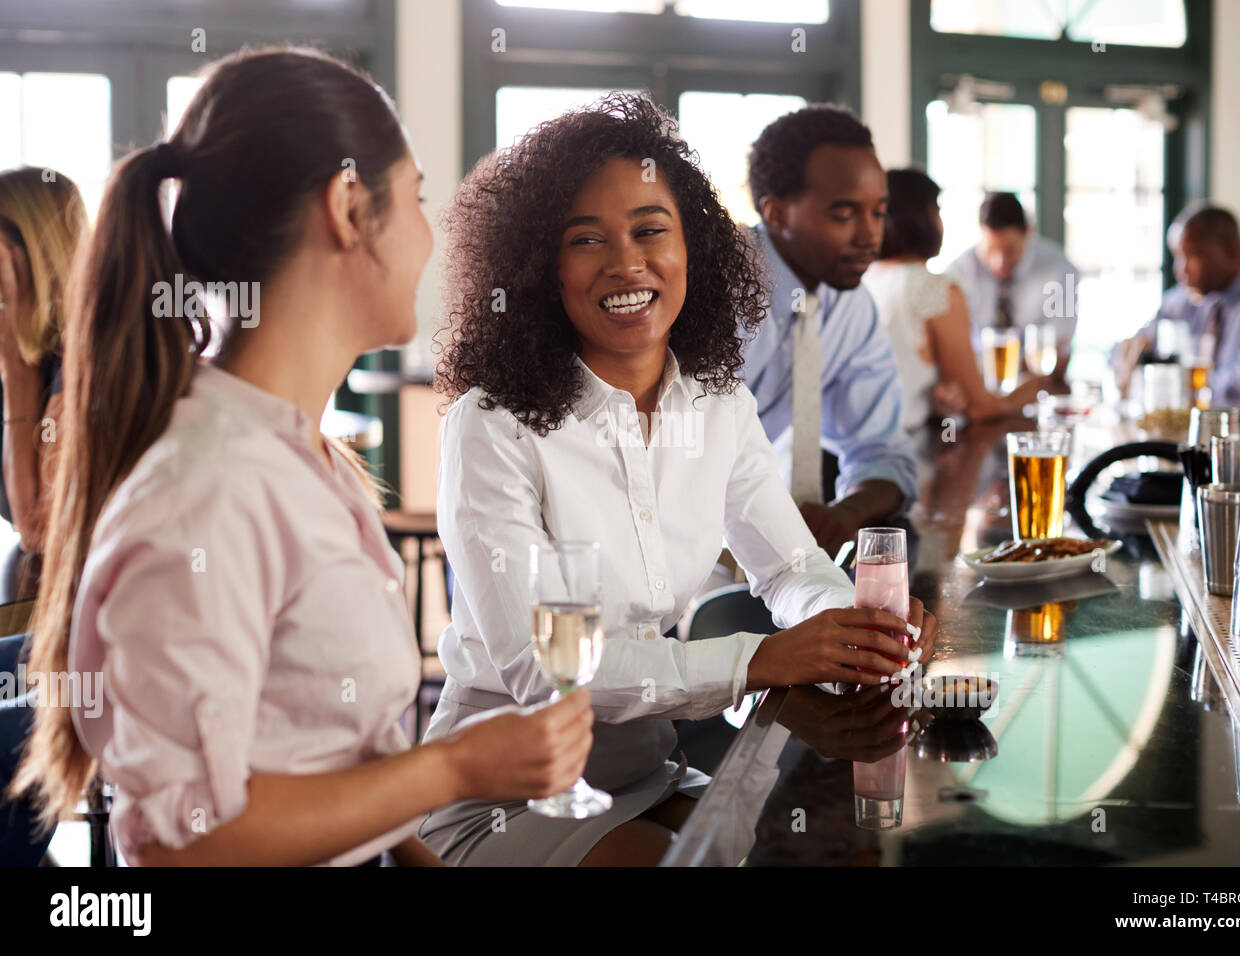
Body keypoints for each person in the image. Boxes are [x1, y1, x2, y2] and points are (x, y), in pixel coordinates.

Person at [11, 47, 594, 867]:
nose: (431, 236)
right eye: (418, 198)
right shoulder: (207, 488)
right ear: (350, 209)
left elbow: (336, 766)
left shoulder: (302, 456)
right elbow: (184, 843)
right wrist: (454, 766)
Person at [424, 92, 938, 867]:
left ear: (692, 244)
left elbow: (792, 567)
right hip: (507, 800)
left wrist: (860, 630)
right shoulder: (492, 425)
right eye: (585, 239)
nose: (627, 262)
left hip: (652, 775)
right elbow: (543, 673)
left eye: (649, 230)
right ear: (538, 267)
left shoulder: (717, 401)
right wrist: (761, 659)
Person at [742, 106, 919, 555]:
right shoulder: (712, 294)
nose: (870, 236)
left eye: (878, 213)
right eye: (844, 215)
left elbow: (883, 453)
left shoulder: (851, 306)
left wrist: (844, 513)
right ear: (777, 213)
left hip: (765, 553)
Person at [864, 168, 1049, 430]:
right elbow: (978, 408)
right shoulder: (936, 289)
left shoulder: (864, 280)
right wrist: (1030, 391)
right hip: (905, 453)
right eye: (937, 210)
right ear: (922, 218)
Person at [1112, 204, 1240, 401]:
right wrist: (1127, 360)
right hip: (1192, 426)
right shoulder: (1180, 300)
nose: (1180, 270)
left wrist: (1191, 383)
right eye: (1177, 257)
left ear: (1231, 251)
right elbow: (1128, 350)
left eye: (1191, 255)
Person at [0, 167, 84, 597]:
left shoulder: (83, 356)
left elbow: (37, 529)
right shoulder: (34, 353)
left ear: (21, 259)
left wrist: (14, 367)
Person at [945, 192, 1078, 386]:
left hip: (1038, 387)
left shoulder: (1061, 270)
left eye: (1010, 251)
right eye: (990, 250)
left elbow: (1059, 345)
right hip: (977, 388)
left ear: (1028, 233)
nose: (999, 262)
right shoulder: (958, 273)